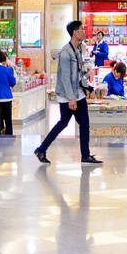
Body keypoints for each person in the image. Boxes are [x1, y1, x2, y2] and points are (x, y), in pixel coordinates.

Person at [34, 20, 101, 165]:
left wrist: (87, 86)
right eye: (82, 30)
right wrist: (71, 98)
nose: (84, 32)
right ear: (75, 33)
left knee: (82, 124)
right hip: (68, 96)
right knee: (64, 123)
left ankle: (85, 155)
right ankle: (41, 149)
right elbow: (65, 77)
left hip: (78, 94)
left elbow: (76, 74)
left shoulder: (77, 50)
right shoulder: (66, 52)